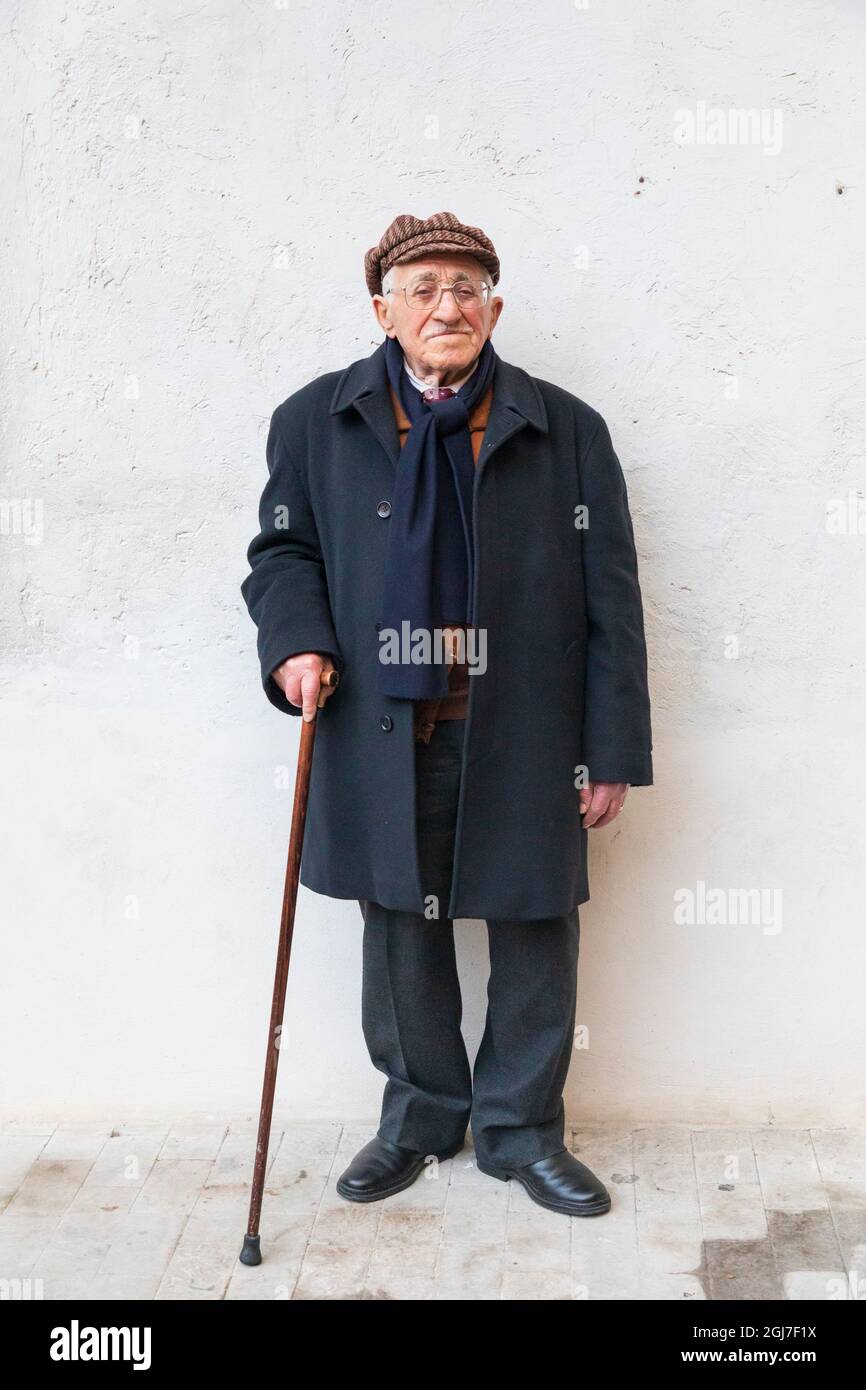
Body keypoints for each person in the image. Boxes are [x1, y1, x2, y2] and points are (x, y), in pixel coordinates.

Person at [241, 211, 652, 1217]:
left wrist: (609, 748)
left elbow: (610, 598)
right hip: (380, 724)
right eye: (422, 287)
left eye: (467, 287)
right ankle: (420, 1116)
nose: (446, 305)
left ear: (494, 307)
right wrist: (296, 640)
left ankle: (520, 1131)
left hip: (525, 727)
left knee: (532, 922)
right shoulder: (313, 421)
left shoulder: (565, 428)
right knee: (398, 924)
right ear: (382, 307)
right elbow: (283, 554)